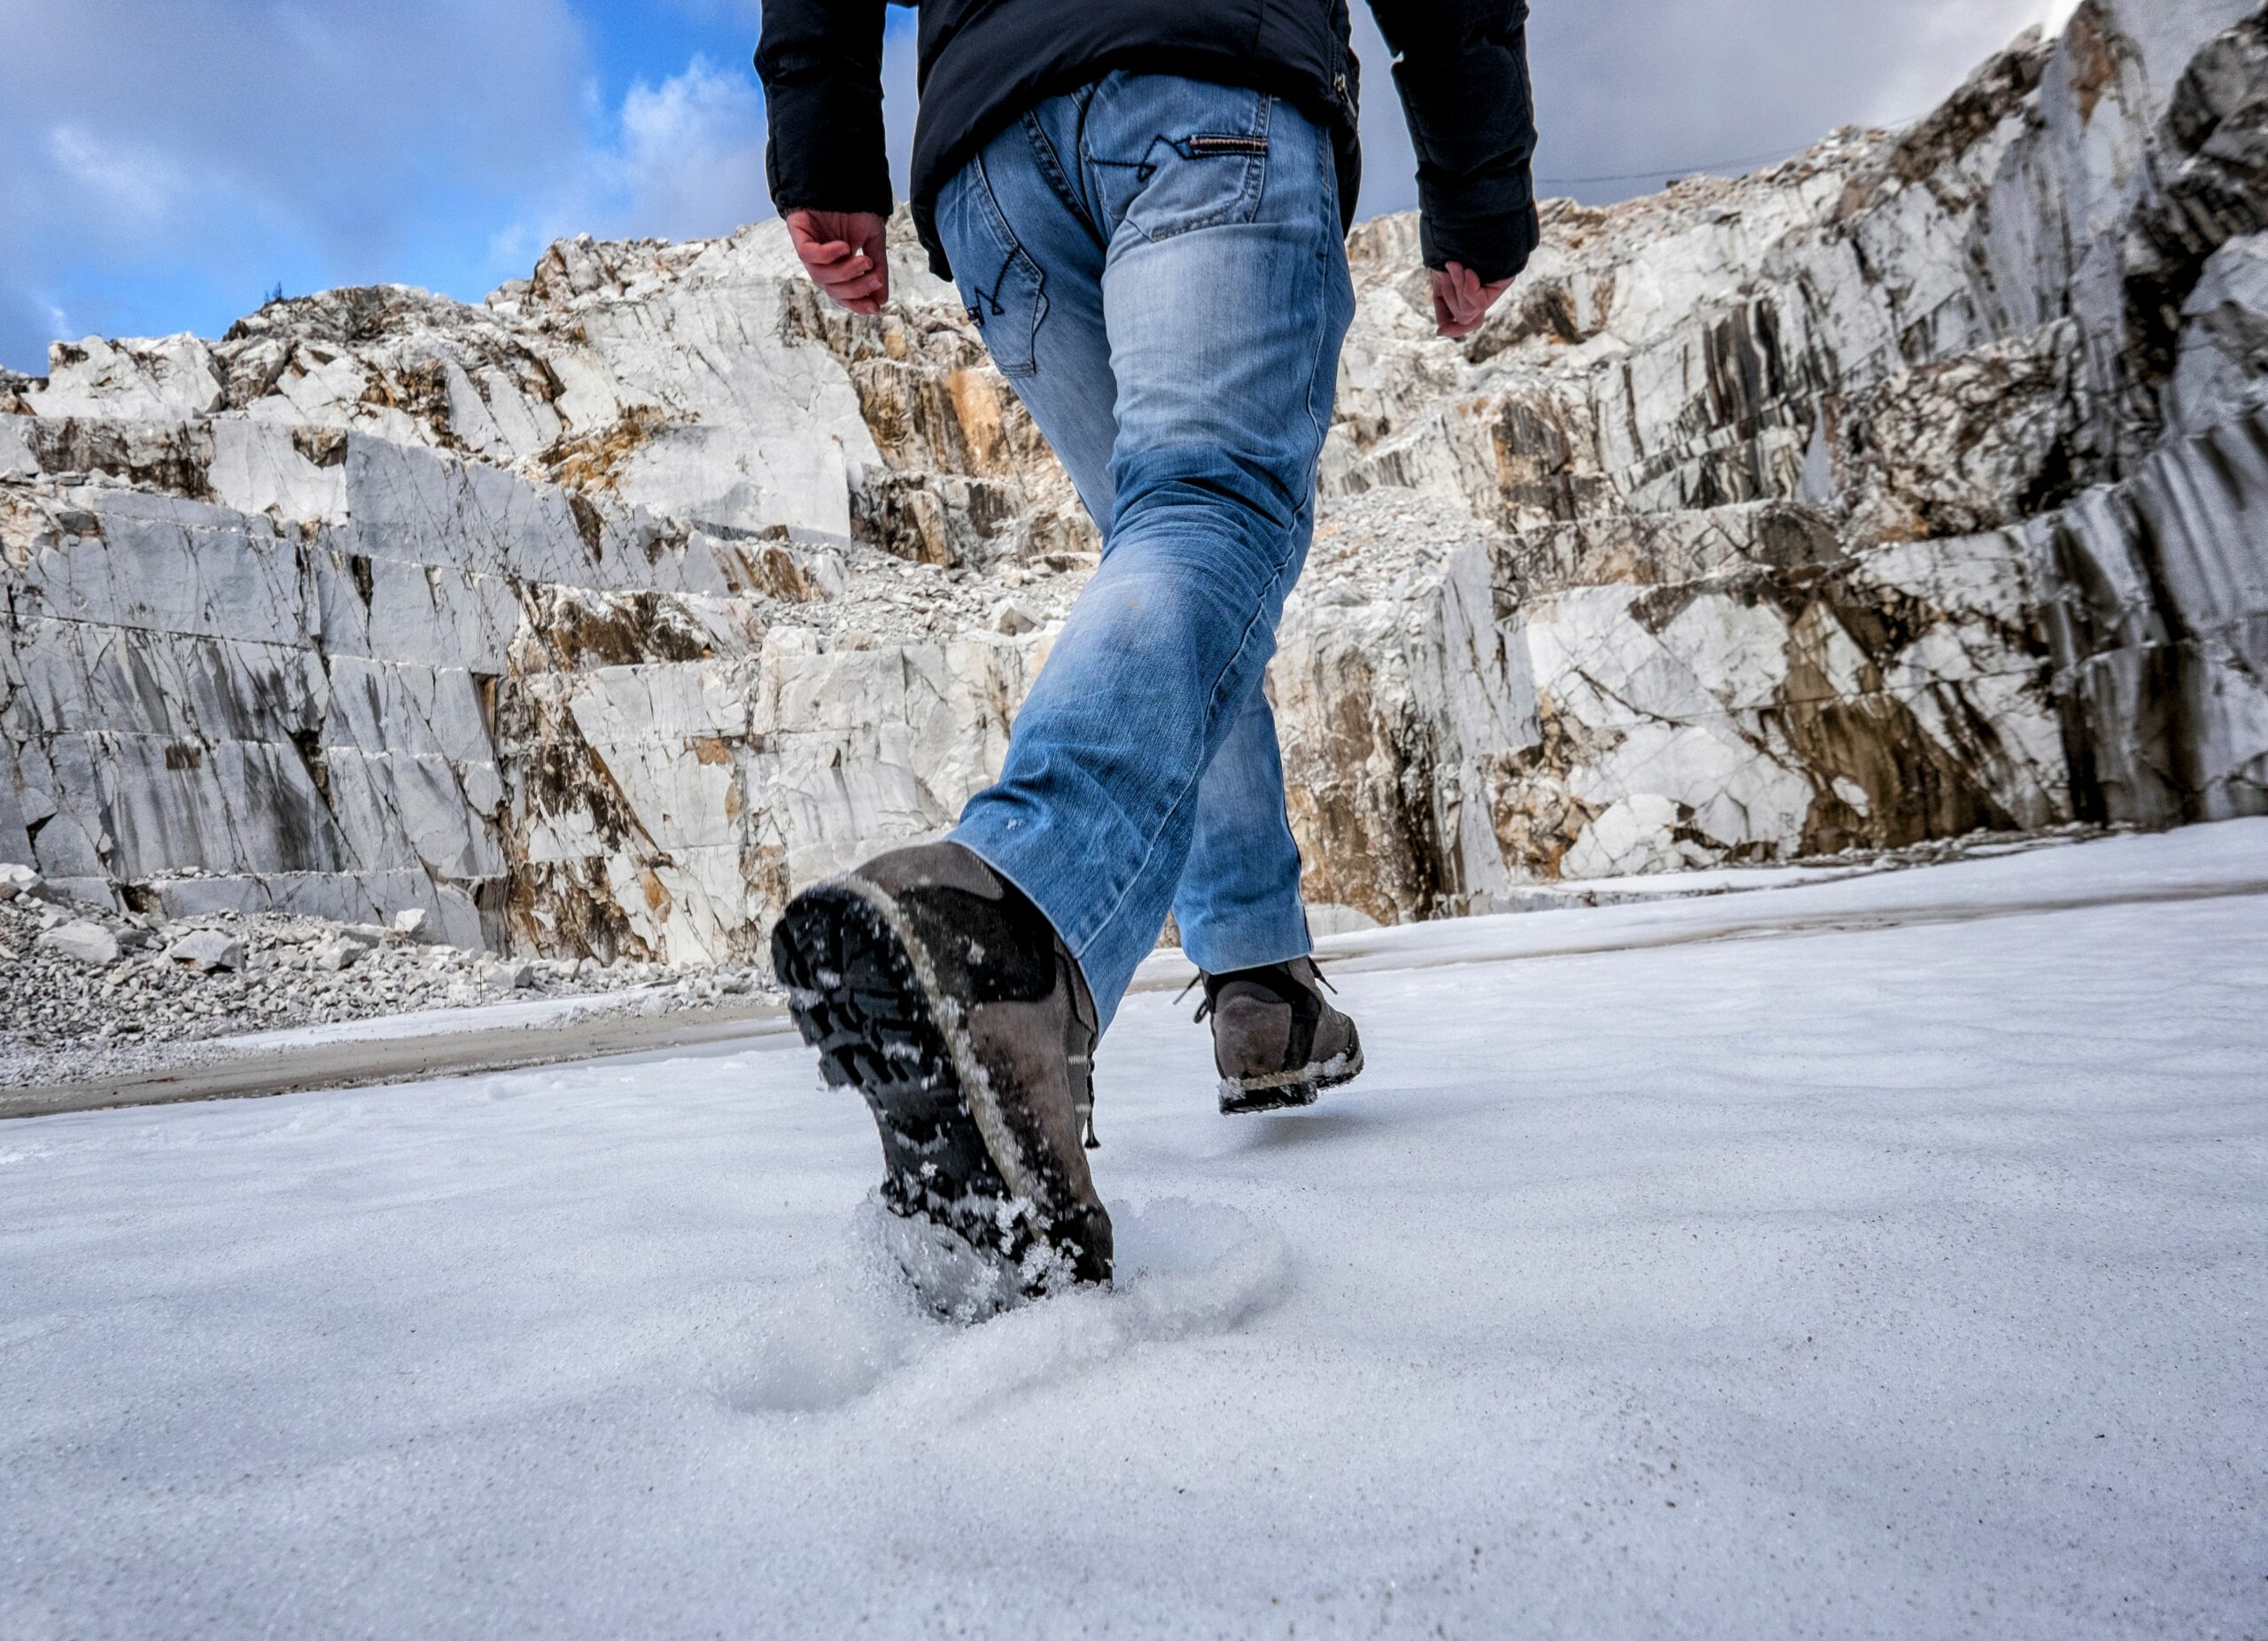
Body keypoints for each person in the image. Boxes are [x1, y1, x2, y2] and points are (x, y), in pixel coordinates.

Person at [757, 0, 1538, 1305]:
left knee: (1165, 541)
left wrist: (825, 135)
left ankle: (1259, 984)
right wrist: (1479, 189)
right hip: (1209, 86)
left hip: (993, 160)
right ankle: (1012, 929)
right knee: (1206, 512)